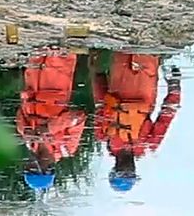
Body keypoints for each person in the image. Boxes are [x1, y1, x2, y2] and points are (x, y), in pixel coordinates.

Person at [91, 52, 181, 193]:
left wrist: (97, 76)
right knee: (147, 51)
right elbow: (166, 116)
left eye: (124, 173)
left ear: (115, 170)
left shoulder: (104, 136)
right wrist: (174, 89)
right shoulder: (148, 144)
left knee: (123, 47)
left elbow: (101, 104)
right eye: (131, 174)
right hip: (145, 87)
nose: (129, 170)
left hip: (119, 84)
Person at [15, 51, 86, 195]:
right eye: (32, 169)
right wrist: (49, 128)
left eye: (27, 168)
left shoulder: (30, 143)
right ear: (47, 169)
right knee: (60, 49)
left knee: (37, 43)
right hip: (56, 86)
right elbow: (78, 117)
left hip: (33, 86)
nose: (29, 164)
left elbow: (19, 113)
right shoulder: (67, 148)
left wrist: (25, 129)